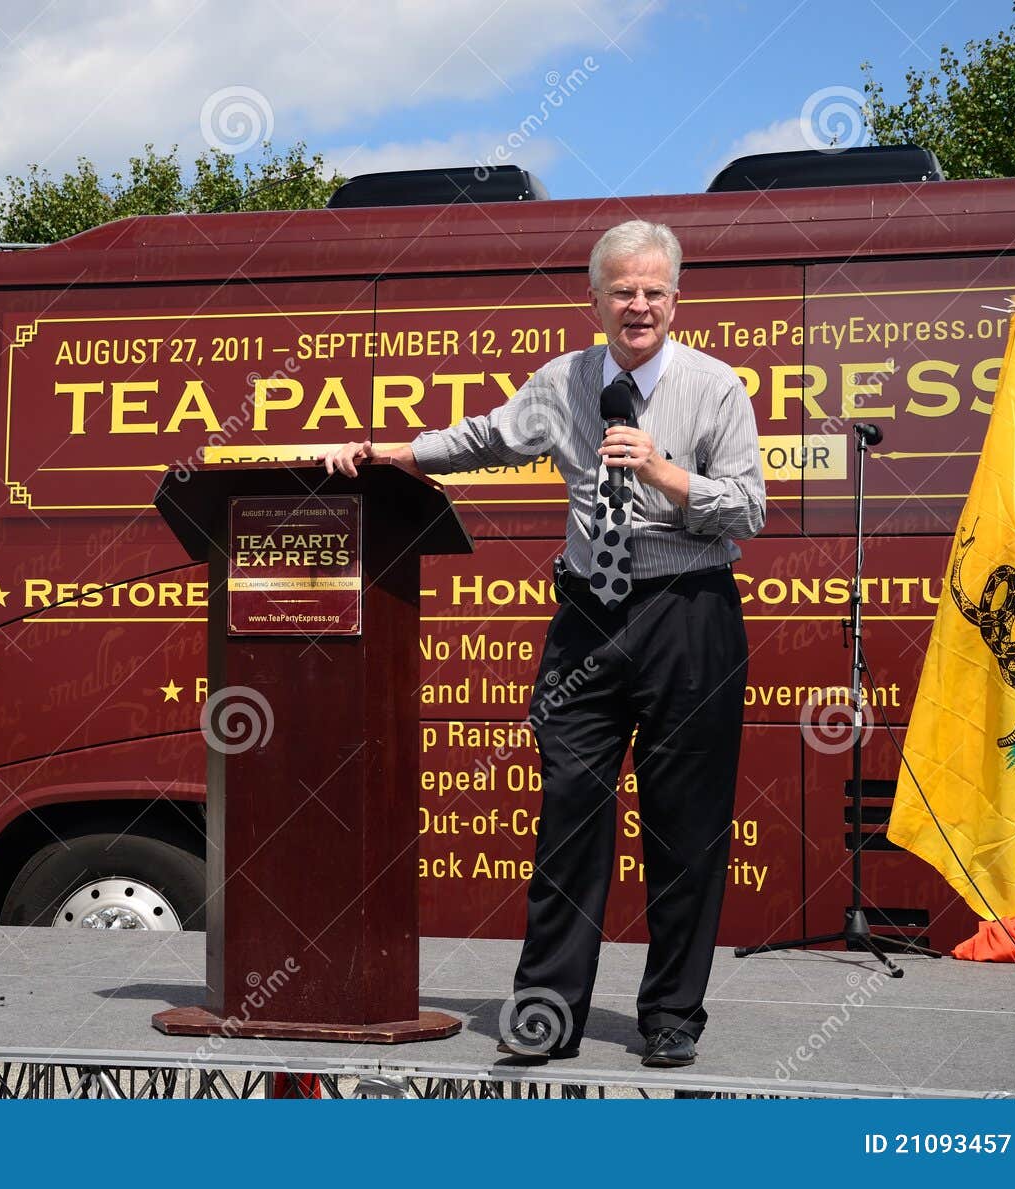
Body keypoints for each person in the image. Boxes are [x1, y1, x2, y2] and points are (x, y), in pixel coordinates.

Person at [320, 220, 765, 1068]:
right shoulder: (563, 381)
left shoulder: (715, 387)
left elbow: (749, 507)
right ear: (594, 300)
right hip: (589, 620)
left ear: (676, 299)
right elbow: (487, 437)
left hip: (688, 614)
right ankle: (548, 1013)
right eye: (623, 291)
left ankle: (671, 1015)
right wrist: (391, 452)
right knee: (568, 817)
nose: (639, 306)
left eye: (654, 291)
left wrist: (665, 470)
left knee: (685, 828)